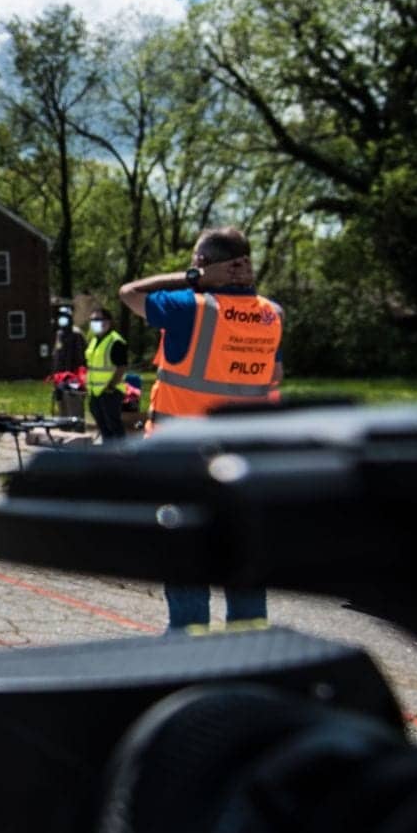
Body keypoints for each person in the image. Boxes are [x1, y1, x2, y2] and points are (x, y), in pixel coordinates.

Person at [118, 226, 283, 634]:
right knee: (241, 562)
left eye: (196, 262)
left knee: (188, 561)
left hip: (183, 461)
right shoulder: (271, 314)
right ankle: (246, 658)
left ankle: (189, 653)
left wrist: (193, 280)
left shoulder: (189, 307)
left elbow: (129, 293)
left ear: (205, 266)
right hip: (245, 461)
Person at [83, 308, 129, 441]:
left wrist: (111, 387)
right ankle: (108, 455)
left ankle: (123, 454)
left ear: (108, 322)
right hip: (95, 392)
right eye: (92, 320)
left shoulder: (116, 341)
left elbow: (122, 367)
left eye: (97, 319)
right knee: (103, 427)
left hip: (110, 391)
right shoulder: (93, 340)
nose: (94, 323)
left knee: (113, 425)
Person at [51, 306, 86, 375]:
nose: (61, 318)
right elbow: (56, 354)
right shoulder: (59, 334)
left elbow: (81, 356)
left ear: (69, 318)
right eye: (60, 316)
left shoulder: (76, 333)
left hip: (73, 374)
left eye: (64, 316)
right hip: (60, 374)